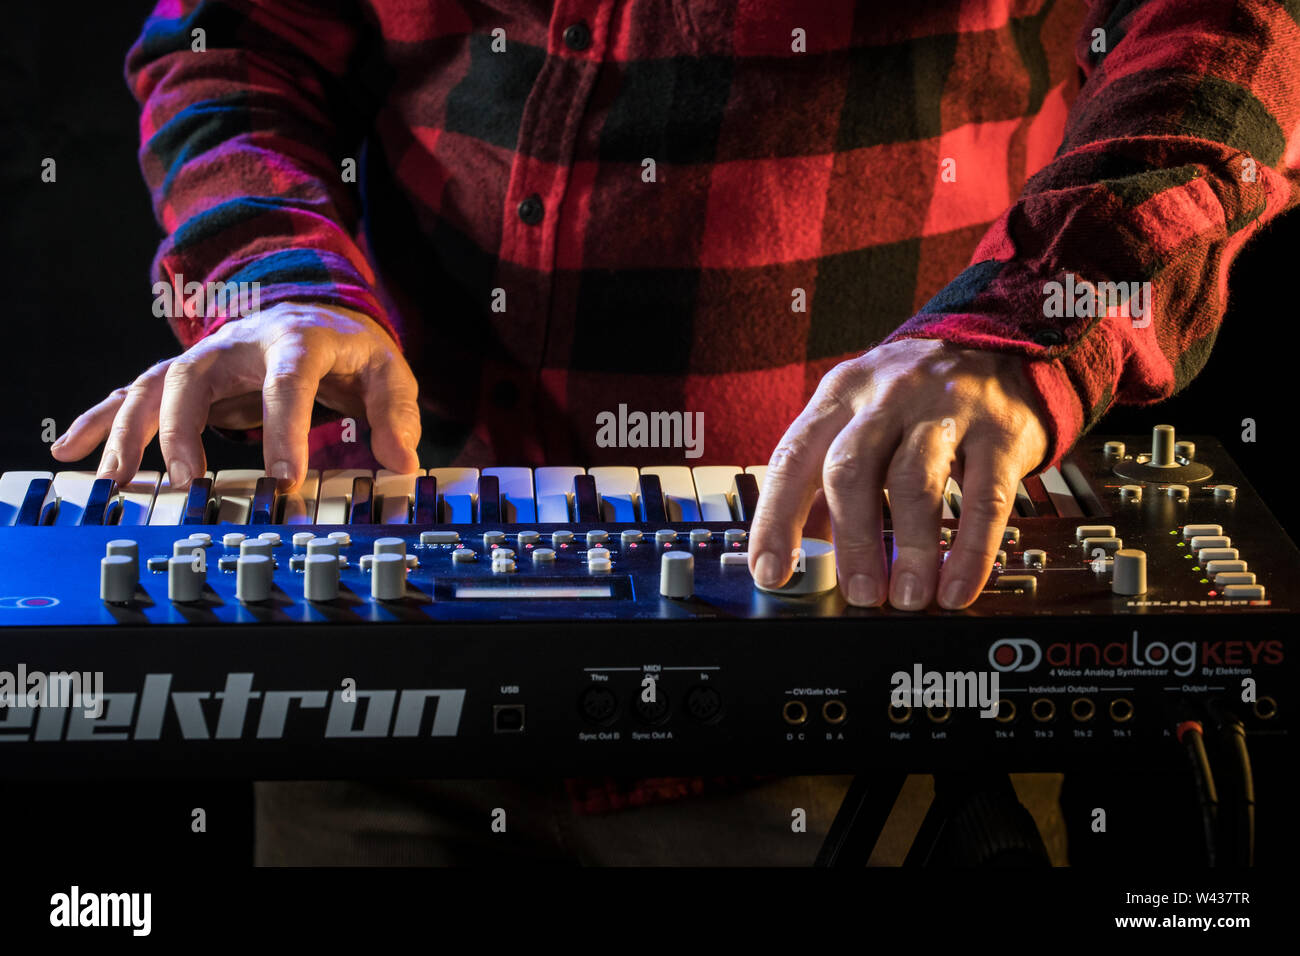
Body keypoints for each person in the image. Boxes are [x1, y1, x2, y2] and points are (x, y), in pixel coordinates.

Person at [50, 0, 1300, 864]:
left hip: (848, 687)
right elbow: (233, 36)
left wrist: (1026, 323)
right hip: (368, 677)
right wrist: (279, 280)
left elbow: (1231, 30)